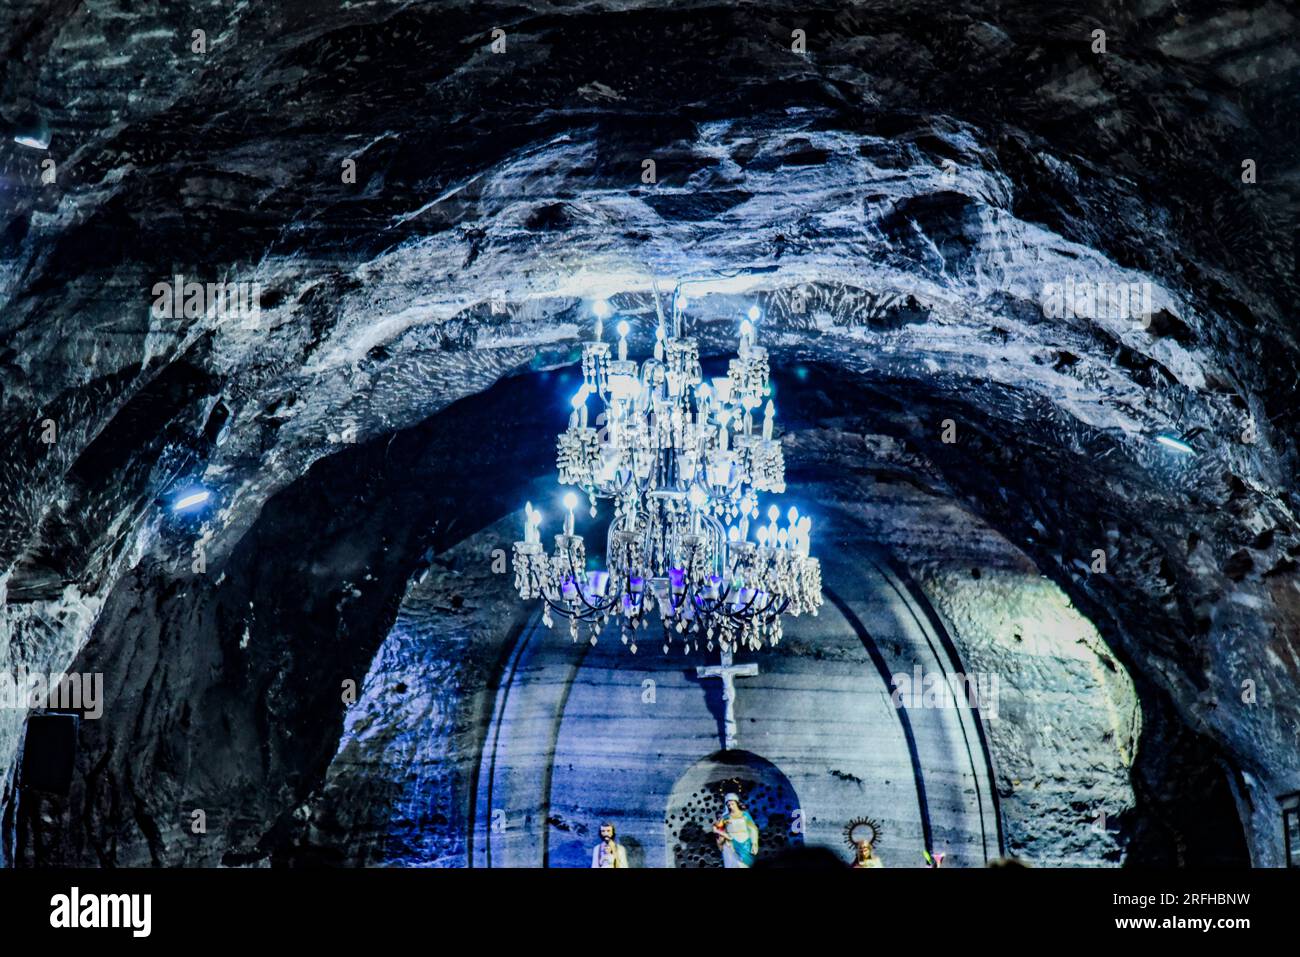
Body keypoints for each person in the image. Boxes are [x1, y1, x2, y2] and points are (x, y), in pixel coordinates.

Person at [713, 792, 760, 868]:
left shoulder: (745, 815)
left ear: (737, 803)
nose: (731, 806)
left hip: (745, 842)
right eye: (729, 805)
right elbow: (718, 829)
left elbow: (753, 829)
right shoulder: (725, 817)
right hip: (730, 843)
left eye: (732, 804)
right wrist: (722, 836)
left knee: (744, 864)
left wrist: (754, 843)